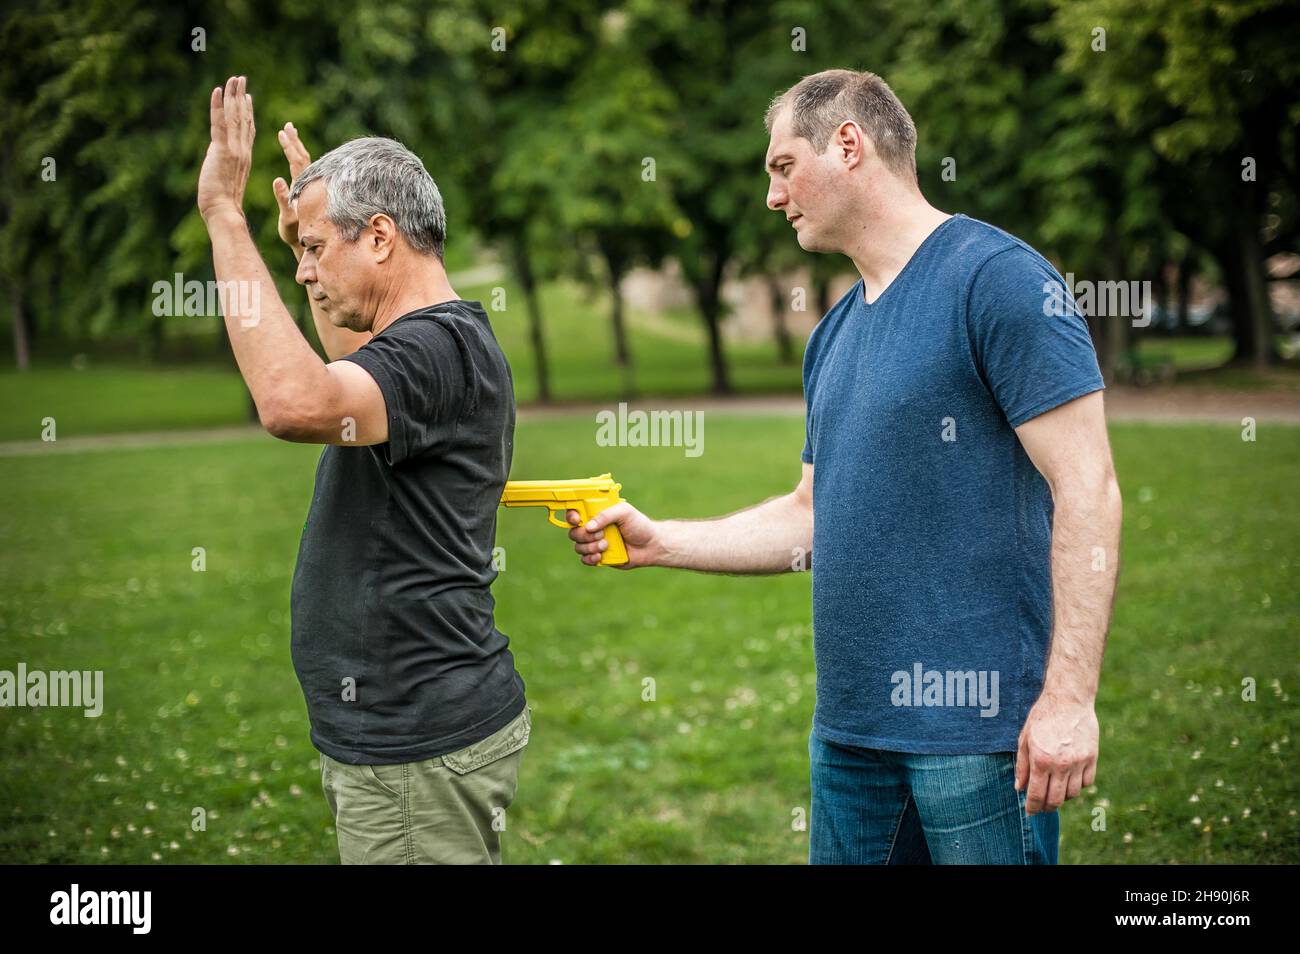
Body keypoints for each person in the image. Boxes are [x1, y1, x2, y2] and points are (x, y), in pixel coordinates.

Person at [567, 69, 1122, 865]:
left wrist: (1069, 698)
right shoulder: (832, 333)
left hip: (978, 736)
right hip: (851, 738)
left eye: (782, 166)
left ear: (849, 145)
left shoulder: (997, 281)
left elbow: (1088, 489)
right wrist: (662, 541)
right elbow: (811, 513)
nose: (771, 196)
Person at [197, 76, 529, 864]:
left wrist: (222, 216)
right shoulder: (431, 349)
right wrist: (307, 240)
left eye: (313, 251)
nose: (304, 271)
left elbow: (293, 401)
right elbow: (347, 391)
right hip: (407, 734)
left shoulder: (438, 348)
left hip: (414, 740)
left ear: (380, 238)